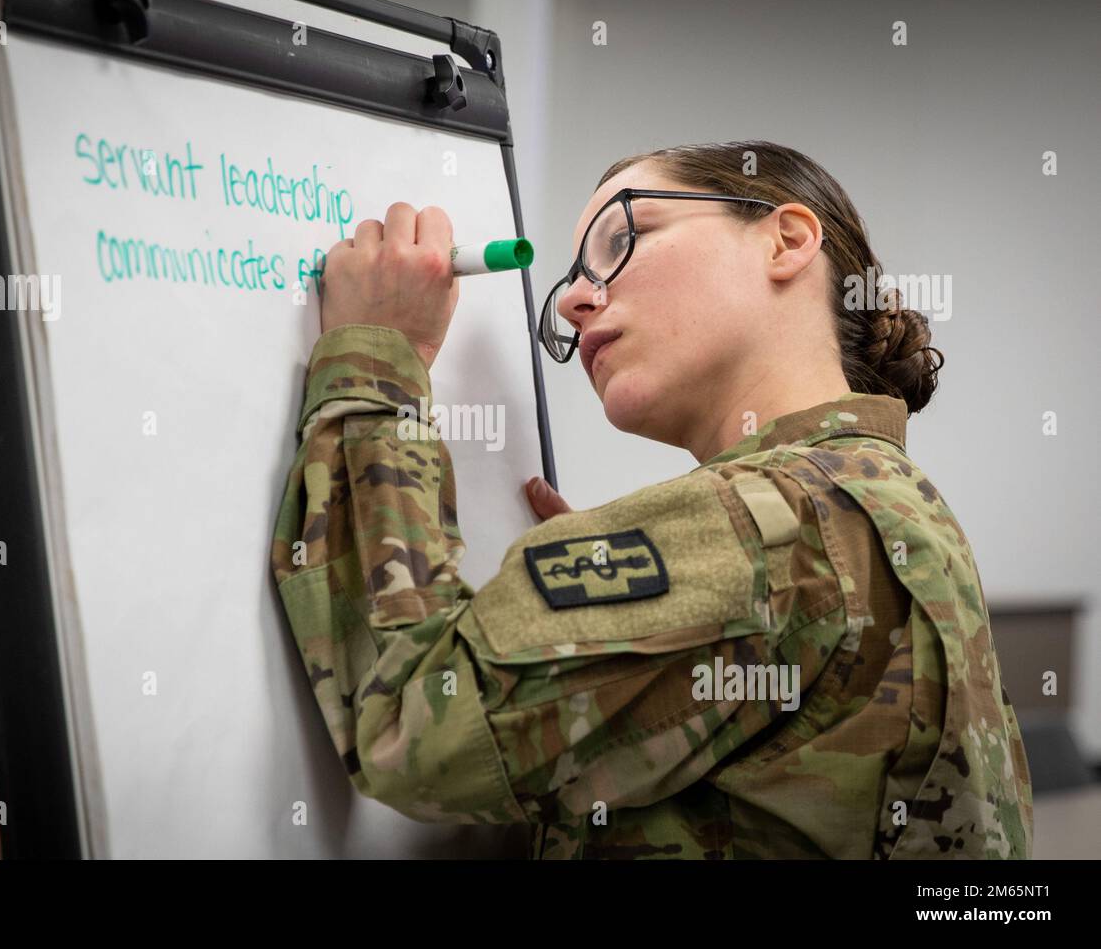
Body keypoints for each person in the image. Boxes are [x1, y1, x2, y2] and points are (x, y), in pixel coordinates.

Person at [269, 140, 1032, 859]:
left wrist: (374, 356)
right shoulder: (879, 497)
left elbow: (417, 727)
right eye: (574, 273)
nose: (572, 298)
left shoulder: (778, 526)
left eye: (620, 236)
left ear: (787, 240)